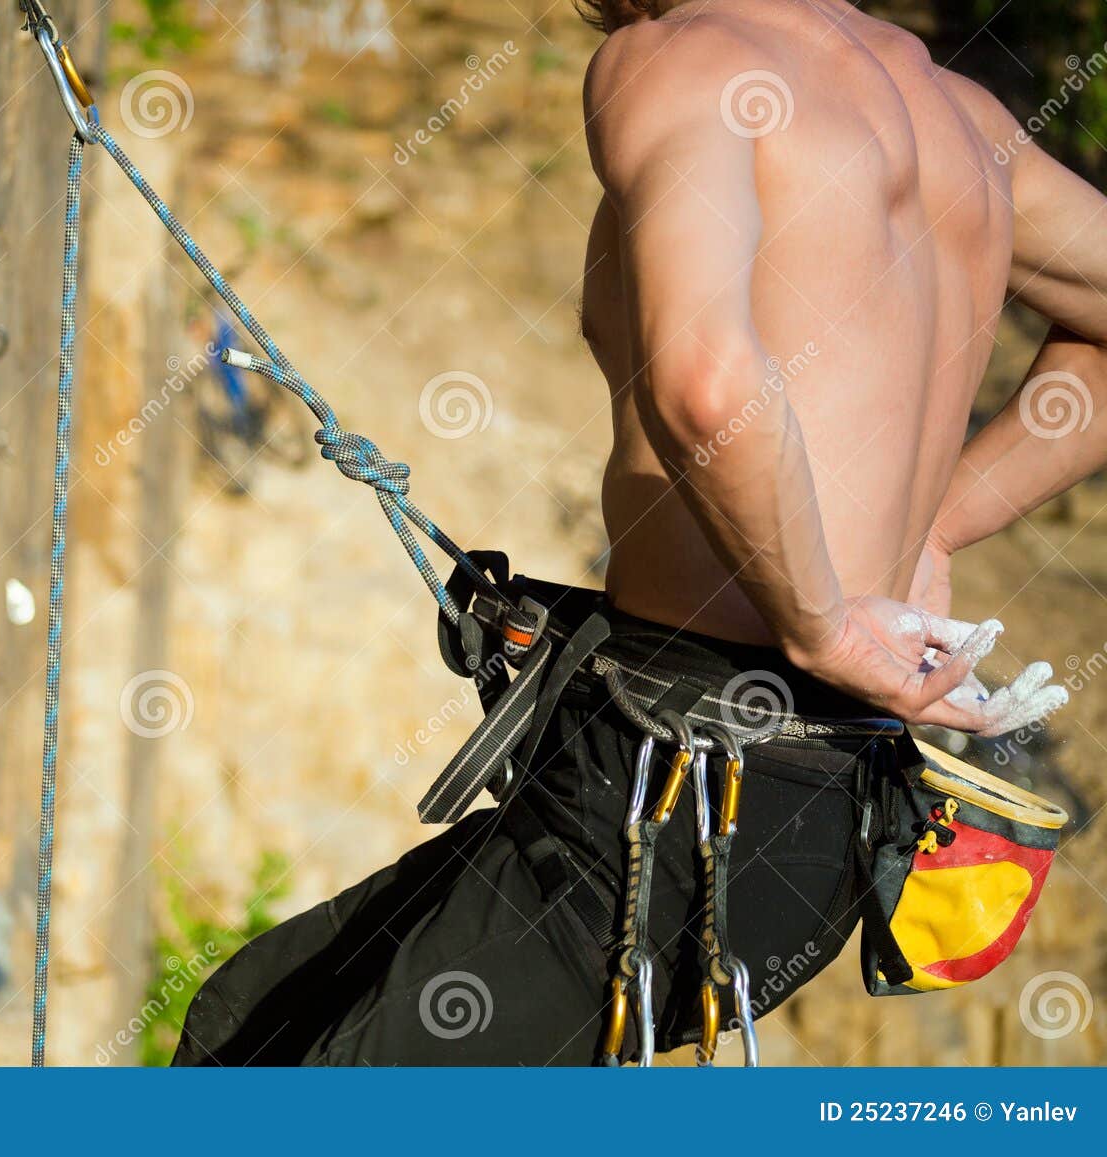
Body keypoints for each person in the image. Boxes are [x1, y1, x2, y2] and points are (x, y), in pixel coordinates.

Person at [171, 0, 1096, 1065]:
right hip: (768, 805)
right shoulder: (961, 119)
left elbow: (705, 383)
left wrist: (825, 622)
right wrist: (931, 521)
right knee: (247, 1027)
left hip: (686, 797)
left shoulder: (689, 60)